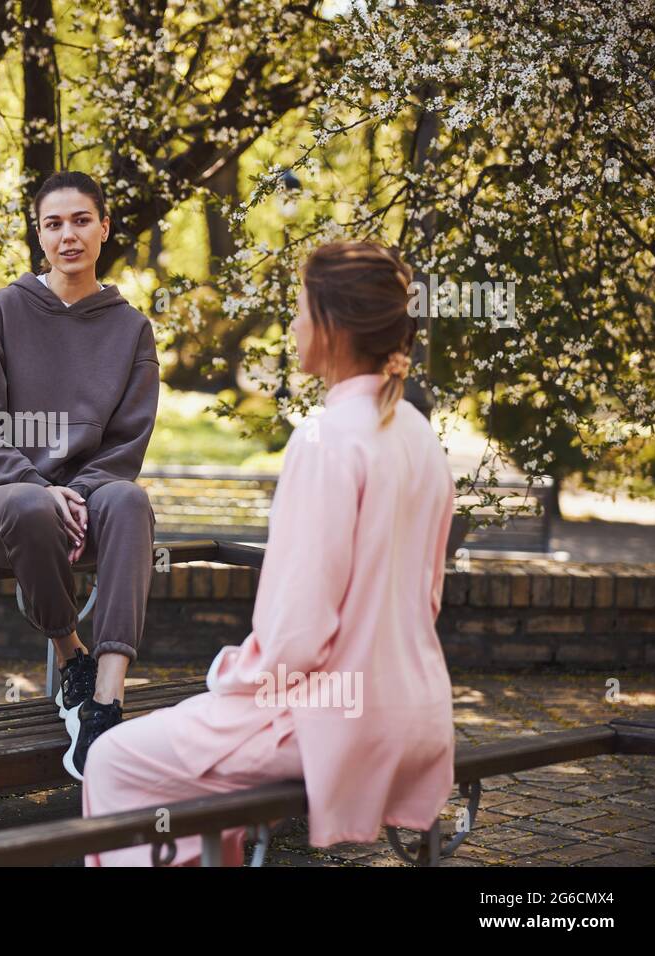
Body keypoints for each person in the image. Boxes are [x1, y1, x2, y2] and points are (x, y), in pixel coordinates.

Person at [81, 240, 457, 865]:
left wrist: (226, 678)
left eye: (302, 309)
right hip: (418, 711)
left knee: (115, 756)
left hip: (332, 720)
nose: (292, 325)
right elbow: (428, 599)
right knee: (175, 754)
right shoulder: (418, 436)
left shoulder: (325, 440)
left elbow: (296, 637)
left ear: (333, 328)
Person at [0, 171, 160, 781]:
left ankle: (104, 705)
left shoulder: (131, 330)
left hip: (84, 506)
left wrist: (80, 493)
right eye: (54, 224)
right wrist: (44, 489)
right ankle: (73, 658)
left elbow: (126, 444)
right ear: (39, 235)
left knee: (130, 502)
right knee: (33, 507)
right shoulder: (1, 313)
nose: (69, 236)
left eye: (81, 221)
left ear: (105, 227)